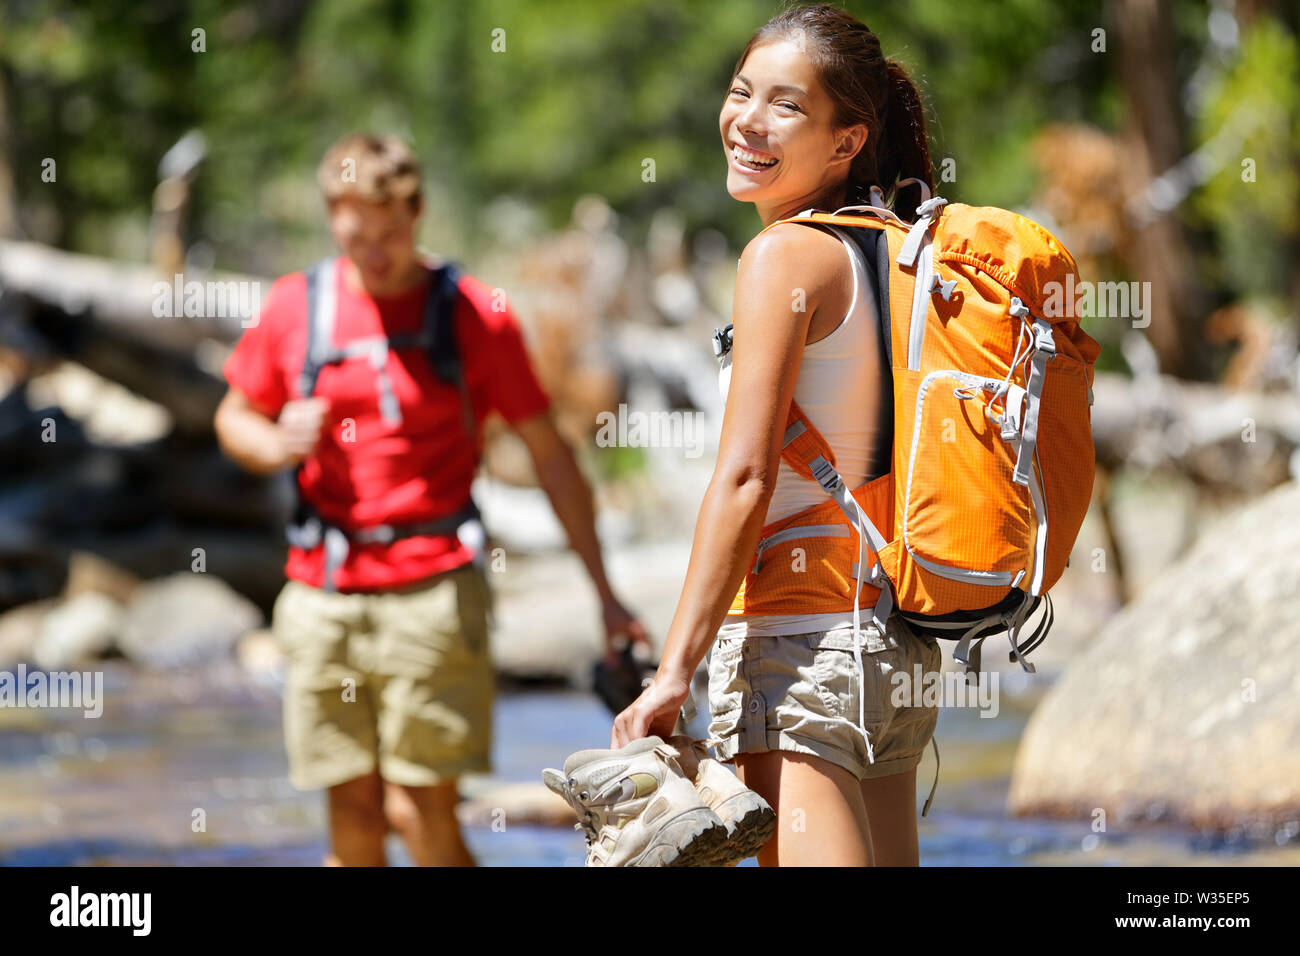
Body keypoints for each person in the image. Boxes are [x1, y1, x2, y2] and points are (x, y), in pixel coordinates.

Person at [215, 133, 647, 866]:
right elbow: (234, 417)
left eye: (391, 234)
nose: (375, 252)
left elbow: (550, 454)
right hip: (324, 593)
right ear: (332, 217)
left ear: (417, 214)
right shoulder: (296, 307)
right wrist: (275, 440)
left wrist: (605, 594)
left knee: (421, 815)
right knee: (351, 812)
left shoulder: (475, 314)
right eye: (357, 235)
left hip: (435, 592)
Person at [611, 4, 941, 866]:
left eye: (786, 106)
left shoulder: (784, 257)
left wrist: (673, 672)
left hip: (803, 643)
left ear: (846, 142)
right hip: (889, 640)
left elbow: (746, 479)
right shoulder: (896, 247)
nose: (746, 121)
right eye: (740, 91)